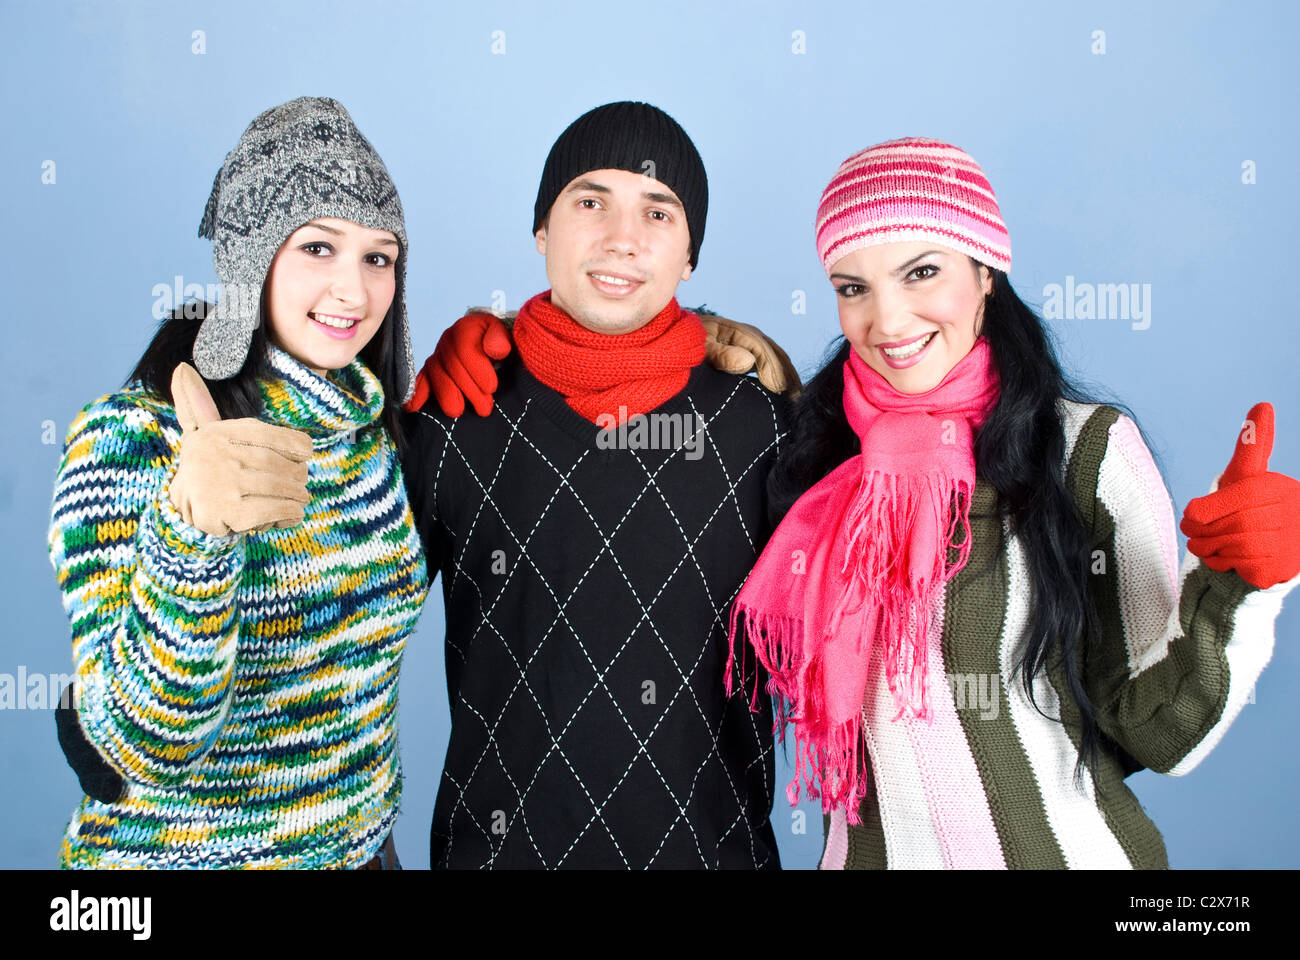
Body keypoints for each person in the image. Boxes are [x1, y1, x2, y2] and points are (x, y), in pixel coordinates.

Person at [727, 137, 1300, 869]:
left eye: (922, 272)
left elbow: (1160, 732)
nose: (889, 320)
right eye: (853, 287)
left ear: (986, 270)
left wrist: (1241, 585)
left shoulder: (1084, 448)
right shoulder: (814, 462)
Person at [401, 101, 791, 868]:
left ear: (690, 256)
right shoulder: (454, 415)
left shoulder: (761, 427)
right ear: (542, 229)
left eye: (659, 212)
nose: (622, 238)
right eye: (590, 202)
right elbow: (333, 623)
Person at [48, 97, 428, 869]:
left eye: (377, 257)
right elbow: (136, 749)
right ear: (251, 259)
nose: (354, 292)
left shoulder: (377, 429)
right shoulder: (134, 436)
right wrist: (190, 543)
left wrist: (702, 340)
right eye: (319, 247)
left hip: (365, 853)